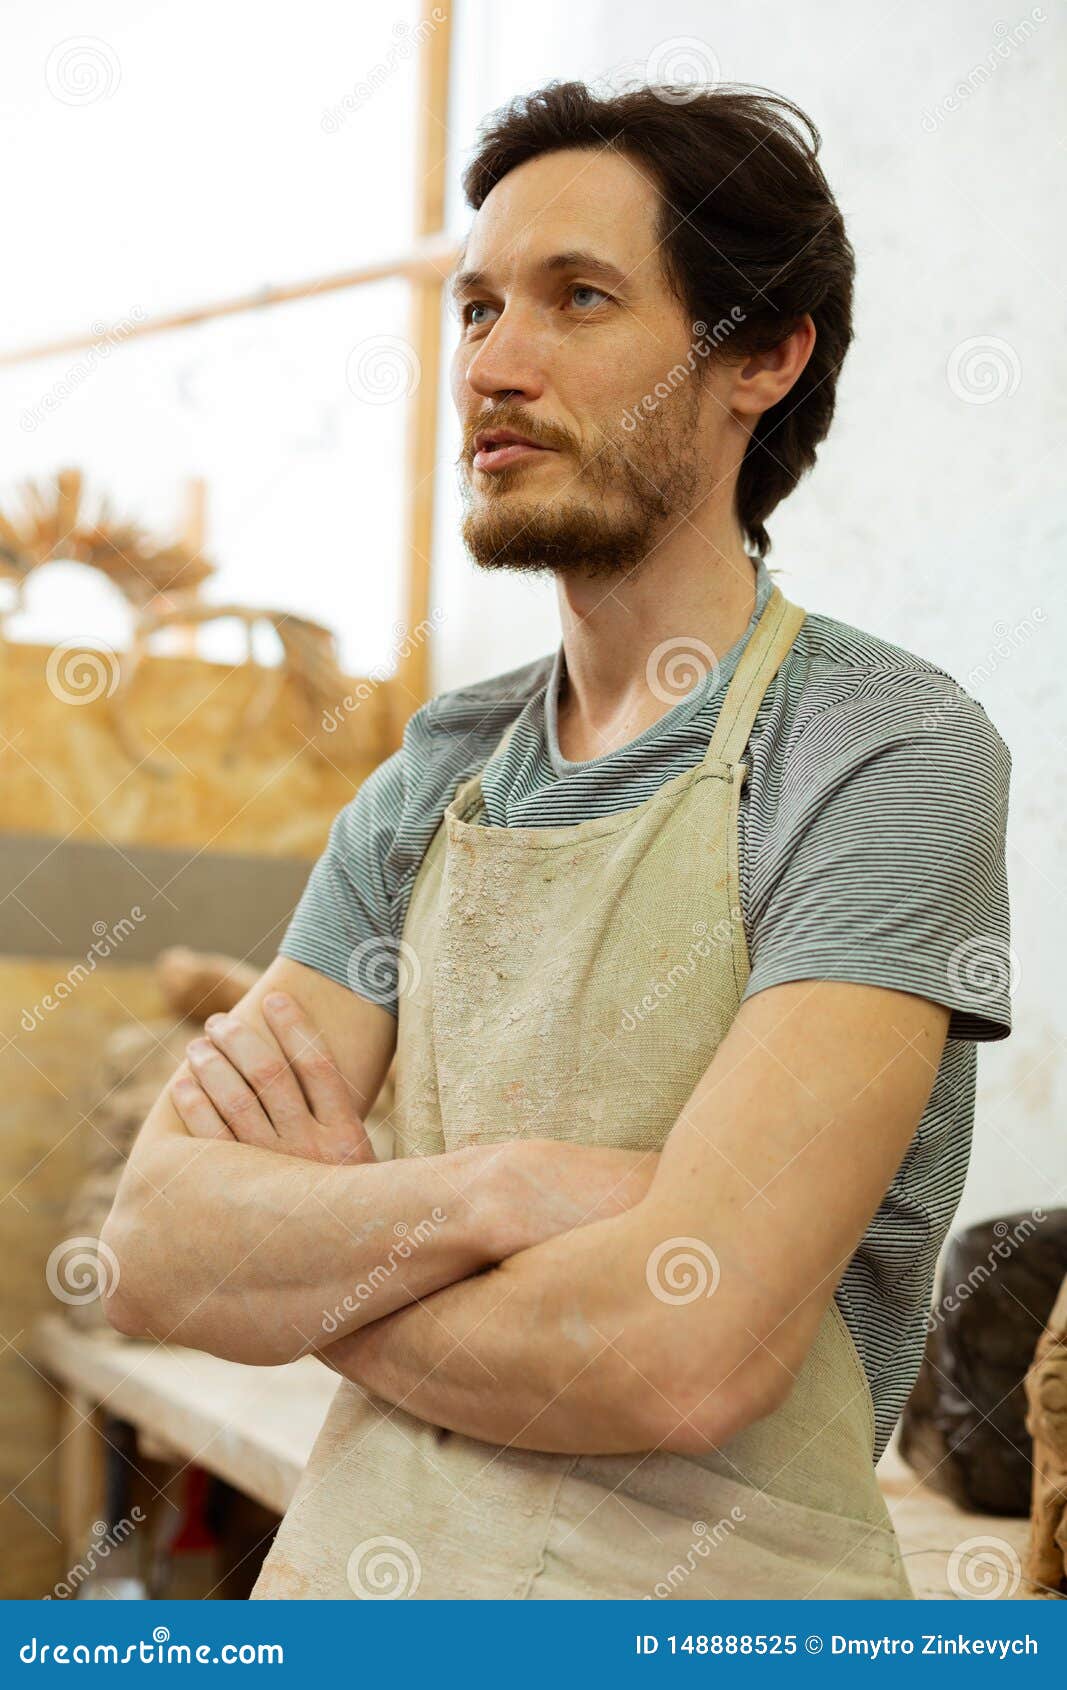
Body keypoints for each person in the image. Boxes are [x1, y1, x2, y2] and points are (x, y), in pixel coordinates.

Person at [102, 80, 1012, 1600]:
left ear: (763, 358)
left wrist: (323, 1248)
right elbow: (151, 1244)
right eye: (473, 311)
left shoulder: (879, 749)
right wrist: (498, 1191)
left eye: (577, 300)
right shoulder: (436, 773)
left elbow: (680, 1351)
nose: (492, 367)